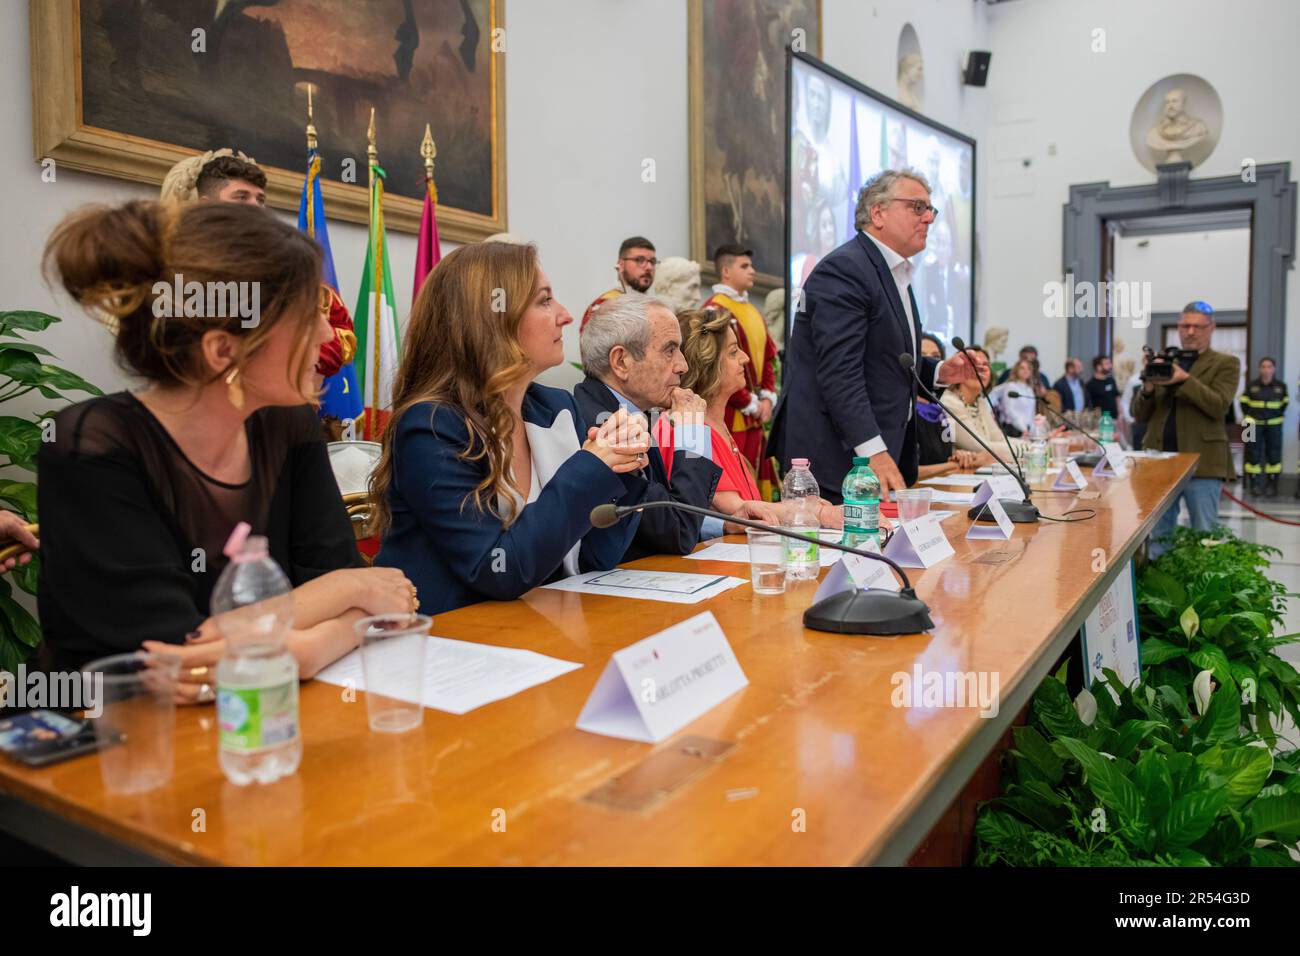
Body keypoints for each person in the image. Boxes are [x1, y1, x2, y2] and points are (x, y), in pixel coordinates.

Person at [38, 200, 416, 697]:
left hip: (266, 718)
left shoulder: (288, 423)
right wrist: (343, 601)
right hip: (110, 741)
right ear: (223, 350)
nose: (330, 337)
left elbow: (351, 592)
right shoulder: (93, 445)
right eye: (309, 317)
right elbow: (178, 655)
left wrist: (309, 636)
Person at [371, 242, 650, 616]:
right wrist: (590, 469)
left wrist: (624, 465)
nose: (566, 316)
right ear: (491, 318)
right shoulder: (432, 427)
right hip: (454, 643)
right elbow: (496, 568)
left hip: (541, 631)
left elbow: (594, 557)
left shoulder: (557, 408)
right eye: (545, 301)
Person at [769, 168, 986, 502]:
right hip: (835, 458)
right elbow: (839, 372)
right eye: (917, 207)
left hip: (868, 457)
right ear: (878, 213)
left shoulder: (891, 272)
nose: (928, 218)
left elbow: (885, 360)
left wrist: (942, 372)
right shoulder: (845, 270)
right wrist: (872, 450)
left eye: (930, 209)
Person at [574, 292, 731, 558]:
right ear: (622, 361)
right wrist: (691, 432)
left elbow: (664, 512)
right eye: (670, 350)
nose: (682, 366)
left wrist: (726, 523)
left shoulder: (631, 412)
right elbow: (676, 532)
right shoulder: (602, 426)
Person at [674, 309, 841, 529]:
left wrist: (804, 507)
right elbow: (738, 510)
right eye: (733, 352)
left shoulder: (715, 425)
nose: (745, 358)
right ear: (708, 365)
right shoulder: (690, 428)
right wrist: (814, 512)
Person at [1133, 300, 1240, 552]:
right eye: (1184, 326)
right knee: (1158, 536)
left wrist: (1184, 379)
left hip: (1202, 463)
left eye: (1197, 326)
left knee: (1204, 537)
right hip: (1159, 462)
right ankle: (1161, 587)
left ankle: (1204, 588)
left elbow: (1218, 405)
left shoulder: (1226, 363)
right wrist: (1148, 386)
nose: (1190, 332)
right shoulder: (1167, 361)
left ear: (1211, 328)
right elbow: (1139, 414)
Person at [702, 244, 778, 486]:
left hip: (754, 413)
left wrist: (766, 397)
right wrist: (748, 402)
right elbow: (714, 365)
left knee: (754, 476)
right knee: (731, 478)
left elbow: (768, 357)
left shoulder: (754, 311)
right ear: (726, 271)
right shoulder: (715, 309)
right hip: (730, 412)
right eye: (744, 266)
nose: (752, 271)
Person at [916, 334, 989, 478]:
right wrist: (952, 465)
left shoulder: (939, 411)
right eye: (922, 356)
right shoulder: (904, 411)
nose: (929, 361)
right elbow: (907, 470)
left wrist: (958, 456)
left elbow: (941, 456)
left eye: (935, 357)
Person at [941, 346, 1026, 463]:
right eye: (972, 365)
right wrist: (1026, 450)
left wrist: (1031, 446)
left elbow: (999, 439)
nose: (980, 369)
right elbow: (980, 447)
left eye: (985, 365)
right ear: (957, 370)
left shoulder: (980, 402)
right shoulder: (949, 402)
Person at [580, 236, 658, 331]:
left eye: (653, 261)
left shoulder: (657, 307)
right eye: (640, 260)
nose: (649, 267)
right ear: (621, 264)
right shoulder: (604, 306)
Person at [1240, 357, 1288, 496]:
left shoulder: (1281, 386)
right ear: (1259, 369)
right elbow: (1243, 404)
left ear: (1274, 369)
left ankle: (1271, 485)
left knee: (1274, 454)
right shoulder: (1251, 385)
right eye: (1263, 366)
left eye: (1269, 367)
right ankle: (1253, 484)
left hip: (1274, 425)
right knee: (1252, 454)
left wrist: (1274, 416)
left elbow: (1284, 404)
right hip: (1251, 425)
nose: (1266, 370)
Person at [989, 357, 1041, 437]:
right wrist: (1023, 429)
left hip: (1027, 430)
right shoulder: (1011, 386)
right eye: (1022, 368)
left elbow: (1031, 413)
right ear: (1016, 370)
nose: (1026, 370)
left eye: (1028, 368)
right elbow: (1009, 410)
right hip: (1013, 429)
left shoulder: (1029, 389)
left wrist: (1032, 430)